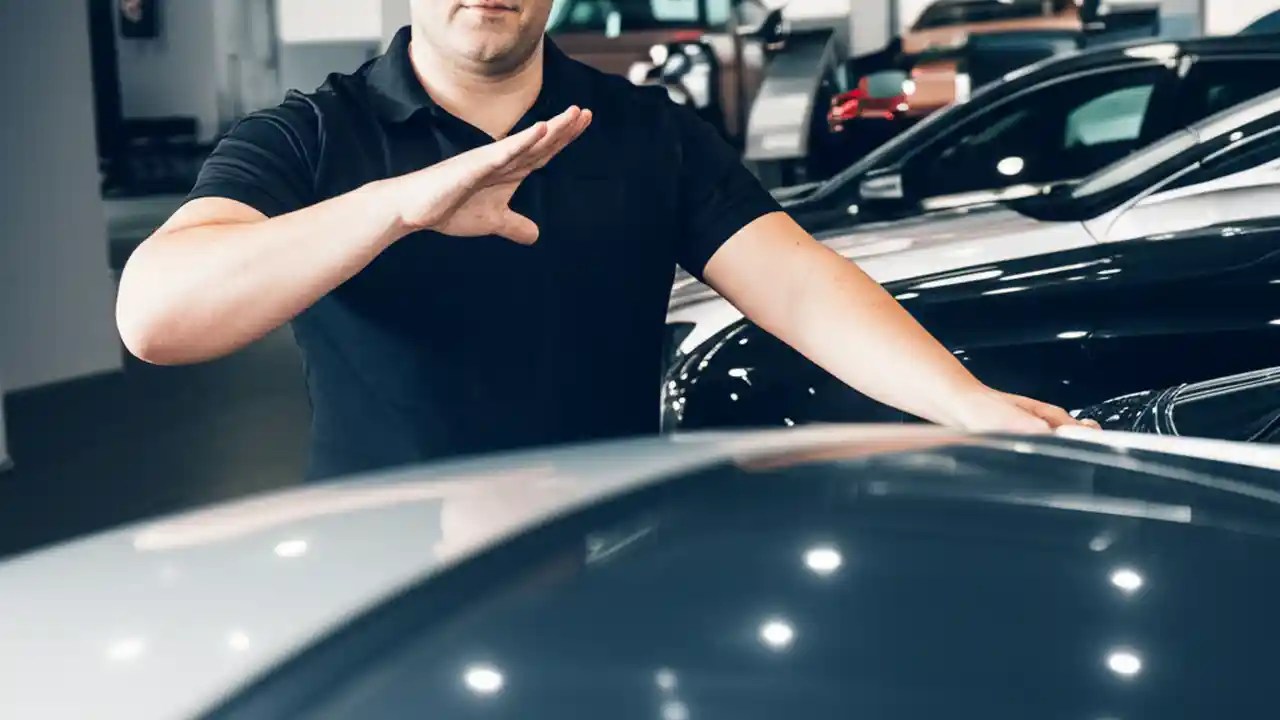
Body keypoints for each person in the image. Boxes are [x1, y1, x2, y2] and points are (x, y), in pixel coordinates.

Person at [115, 0, 1095, 482]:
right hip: (381, 569)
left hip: (605, 550)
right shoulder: (312, 134)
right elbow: (158, 316)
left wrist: (966, 406)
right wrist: (397, 206)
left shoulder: (643, 131)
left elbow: (795, 281)